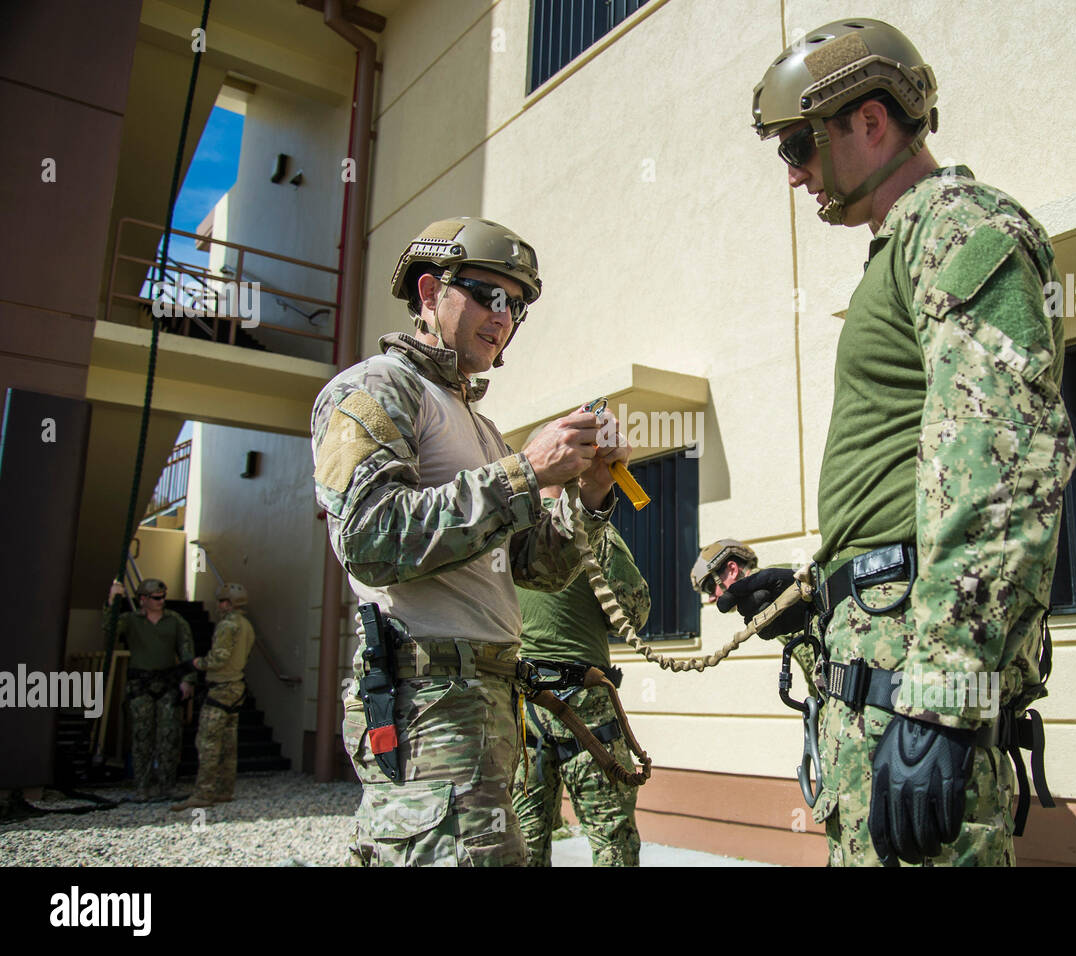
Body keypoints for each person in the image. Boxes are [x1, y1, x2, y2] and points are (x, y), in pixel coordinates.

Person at [736, 19, 1076, 866]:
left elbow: (1003, 467)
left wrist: (941, 698)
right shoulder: (901, 253)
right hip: (880, 665)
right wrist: (818, 588)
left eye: (797, 146)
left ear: (870, 119)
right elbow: (913, 481)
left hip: (916, 680)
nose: (794, 175)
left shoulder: (958, 229)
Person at [310, 216, 630, 866]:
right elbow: (371, 537)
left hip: (482, 702)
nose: (503, 316)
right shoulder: (375, 388)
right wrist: (526, 471)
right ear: (430, 293)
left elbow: (537, 566)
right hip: (426, 697)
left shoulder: (480, 428)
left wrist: (590, 491)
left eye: (518, 306)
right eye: (488, 294)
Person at [511, 483, 650, 866]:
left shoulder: (509, 526)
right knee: (612, 839)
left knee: (522, 839)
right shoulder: (592, 528)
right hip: (585, 706)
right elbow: (634, 613)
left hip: (521, 707)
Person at [104, 577, 195, 801]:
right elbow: (109, 631)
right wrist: (112, 601)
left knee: (169, 736)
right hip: (140, 685)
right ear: (142, 599)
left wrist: (188, 680)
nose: (161, 601)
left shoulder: (175, 621)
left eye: (163, 597)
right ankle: (141, 787)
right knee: (141, 736)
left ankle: (167, 785)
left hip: (168, 684)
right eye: (156, 598)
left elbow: (187, 652)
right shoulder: (131, 621)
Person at [690, 539, 817, 694]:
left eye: (710, 587)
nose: (710, 597)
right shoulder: (757, 605)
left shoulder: (776, 581)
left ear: (732, 569)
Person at [171, 582, 256, 811]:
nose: (218, 605)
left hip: (221, 688)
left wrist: (195, 663)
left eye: (221, 601)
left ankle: (203, 793)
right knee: (229, 742)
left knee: (208, 741)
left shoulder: (227, 625)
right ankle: (224, 790)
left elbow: (218, 659)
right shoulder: (246, 625)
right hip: (236, 687)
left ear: (229, 603)